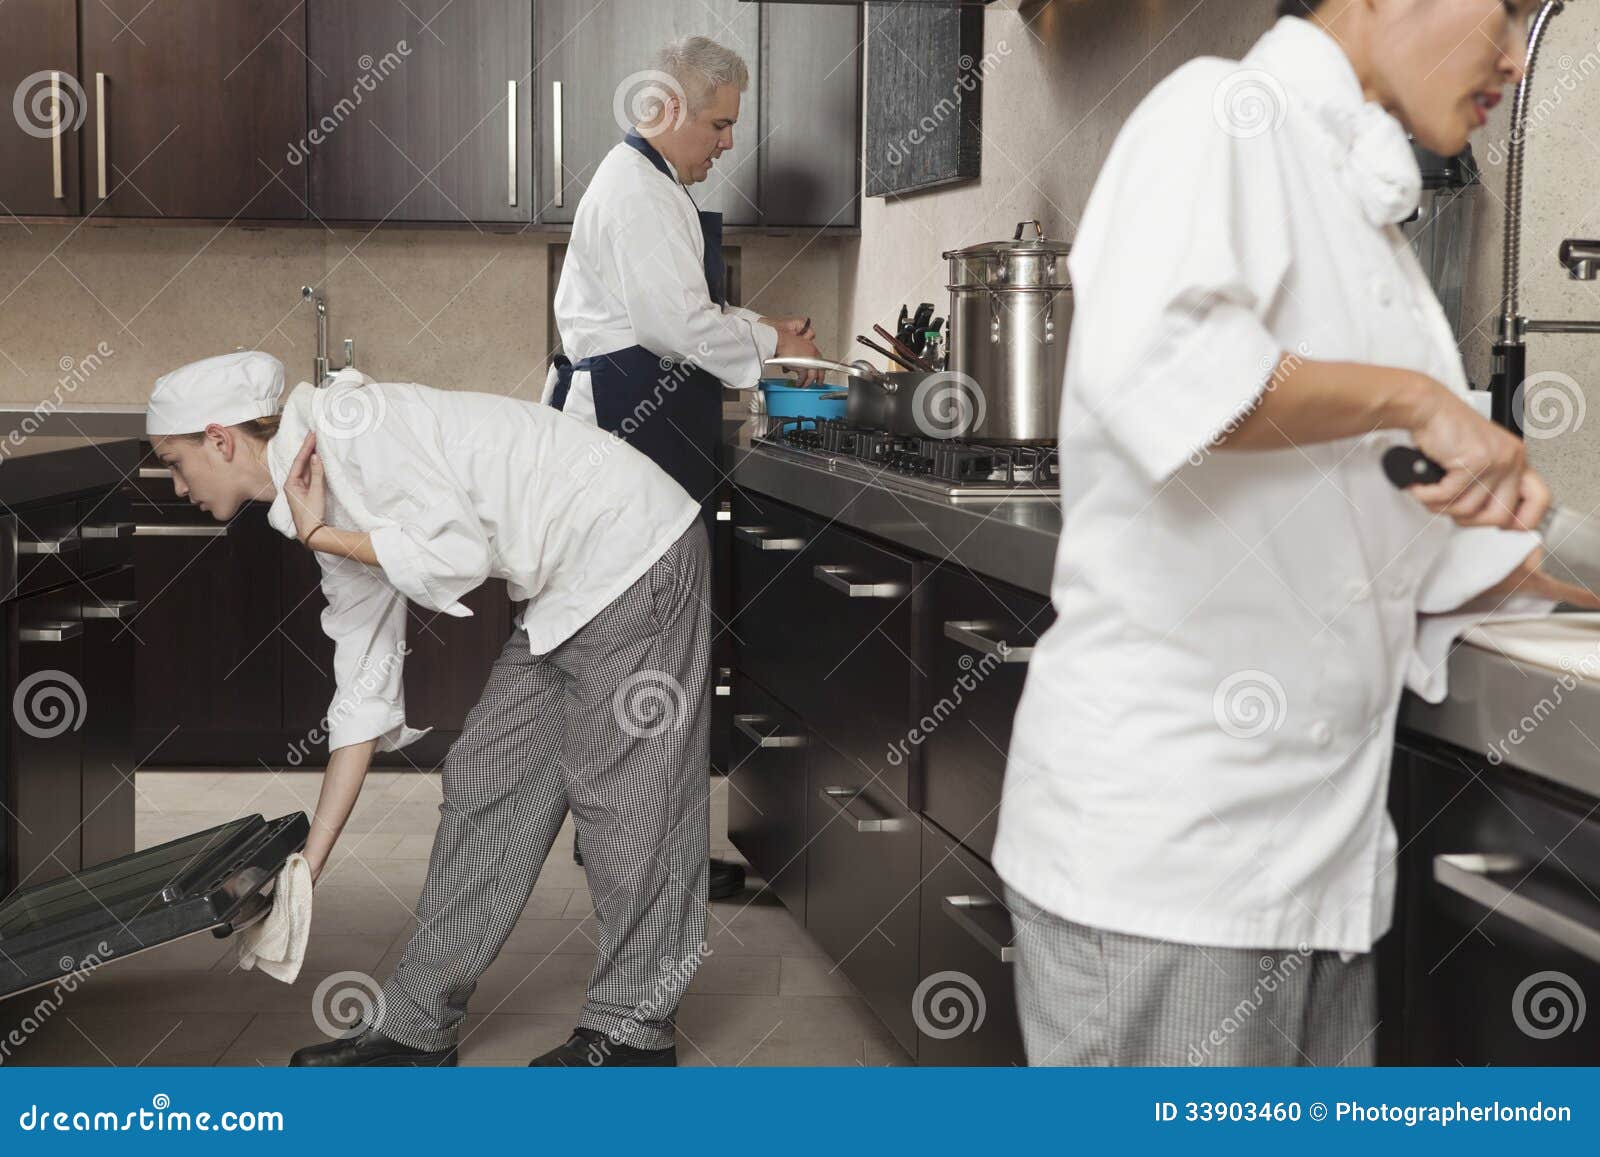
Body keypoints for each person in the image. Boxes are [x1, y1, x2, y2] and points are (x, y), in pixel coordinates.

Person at [993, 0, 1597, 1067]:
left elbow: (1456, 546)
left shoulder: (1372, 231)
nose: (1512, 51)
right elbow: (1161, 374)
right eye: (1499, 8)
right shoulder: (1216, 114)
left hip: (1312, 872)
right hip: (1171, 864)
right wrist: (1414, 398)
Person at [145, 350, 712, 1067]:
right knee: (485, 773)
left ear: (220, 439)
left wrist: (323, 533)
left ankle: (633, 1035)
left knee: (627, 799)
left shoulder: (352, 433)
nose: (175, 483)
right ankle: (416, 1029)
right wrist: (305, 869)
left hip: (635, 549)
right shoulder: (312, 494)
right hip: (568, 582)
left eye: (174, 461)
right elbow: (363, 686)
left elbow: (454, 553)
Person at [543, 35, 821, 900]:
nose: (729, 143)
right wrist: (776, 342)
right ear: (666, 110)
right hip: (629, 437)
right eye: (721, 123)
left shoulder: (652, 187)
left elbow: (683, 309)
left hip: (643, 428)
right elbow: (673, 326)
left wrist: (760, 323)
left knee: (643, 657)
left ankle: (642, 853)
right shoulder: (637, 192)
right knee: (642, 657)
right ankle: (646, 861)